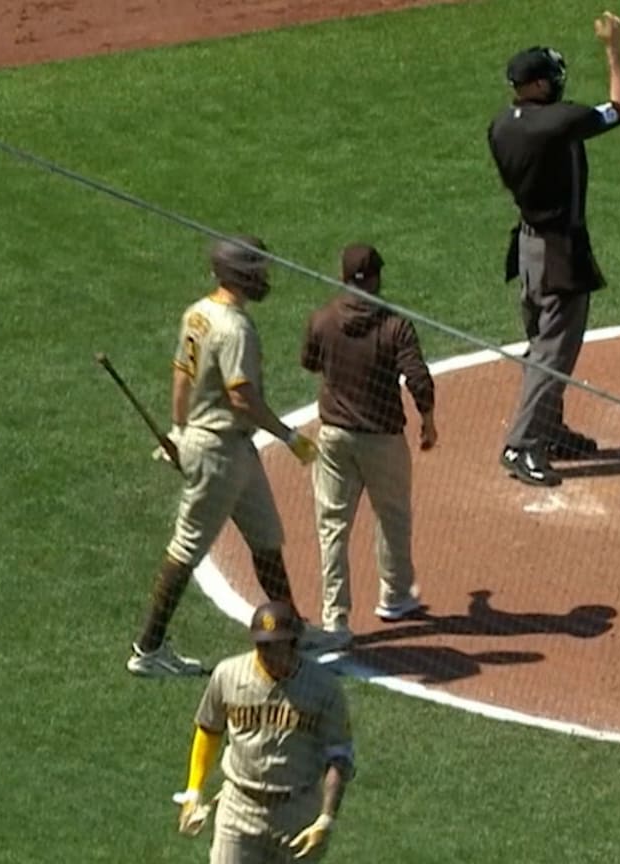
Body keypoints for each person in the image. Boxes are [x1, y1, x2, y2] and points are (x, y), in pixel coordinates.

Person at [127, 235, 322, 678]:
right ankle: (148, 647)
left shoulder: (198, 313)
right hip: (220, 449)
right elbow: (242, 397)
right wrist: (288, 436)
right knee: (187, 545)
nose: (263, 277)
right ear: (241, 275)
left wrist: (178, 429)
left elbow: (182, 373)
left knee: (267, 535)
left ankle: (292, 629)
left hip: (229, 448)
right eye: (257, 270)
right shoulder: (236, 328)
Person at [487, 11, 620, 487]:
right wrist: (613, 50)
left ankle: (549, 429)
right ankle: (521, 443)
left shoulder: (502, 125)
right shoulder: (558, 123)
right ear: (537, 85)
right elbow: (617, 109)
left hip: (527, 249)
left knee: (542, 344)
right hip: (557, 254)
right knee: (552, 352)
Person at [300, 244, 437, 651]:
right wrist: (428, 420)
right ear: (378, 277)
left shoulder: (322, 320)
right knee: (392, 515)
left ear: (343, 277)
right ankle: (394, 595)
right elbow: (418, 378)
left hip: (334, 438)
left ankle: (335, 618)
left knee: (333, 527)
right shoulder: (395, 327)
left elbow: (310, 362)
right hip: (382, 438)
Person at [174, 601, 355, 863]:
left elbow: (339, 756)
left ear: (294, 644)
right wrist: (193, 790)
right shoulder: (228, 675)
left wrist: (326, 819)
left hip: (297, 810)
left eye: (275, 646)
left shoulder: (324, 688)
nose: (267, 654)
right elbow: (209, 728)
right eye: (261, 645)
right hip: (238, 807)